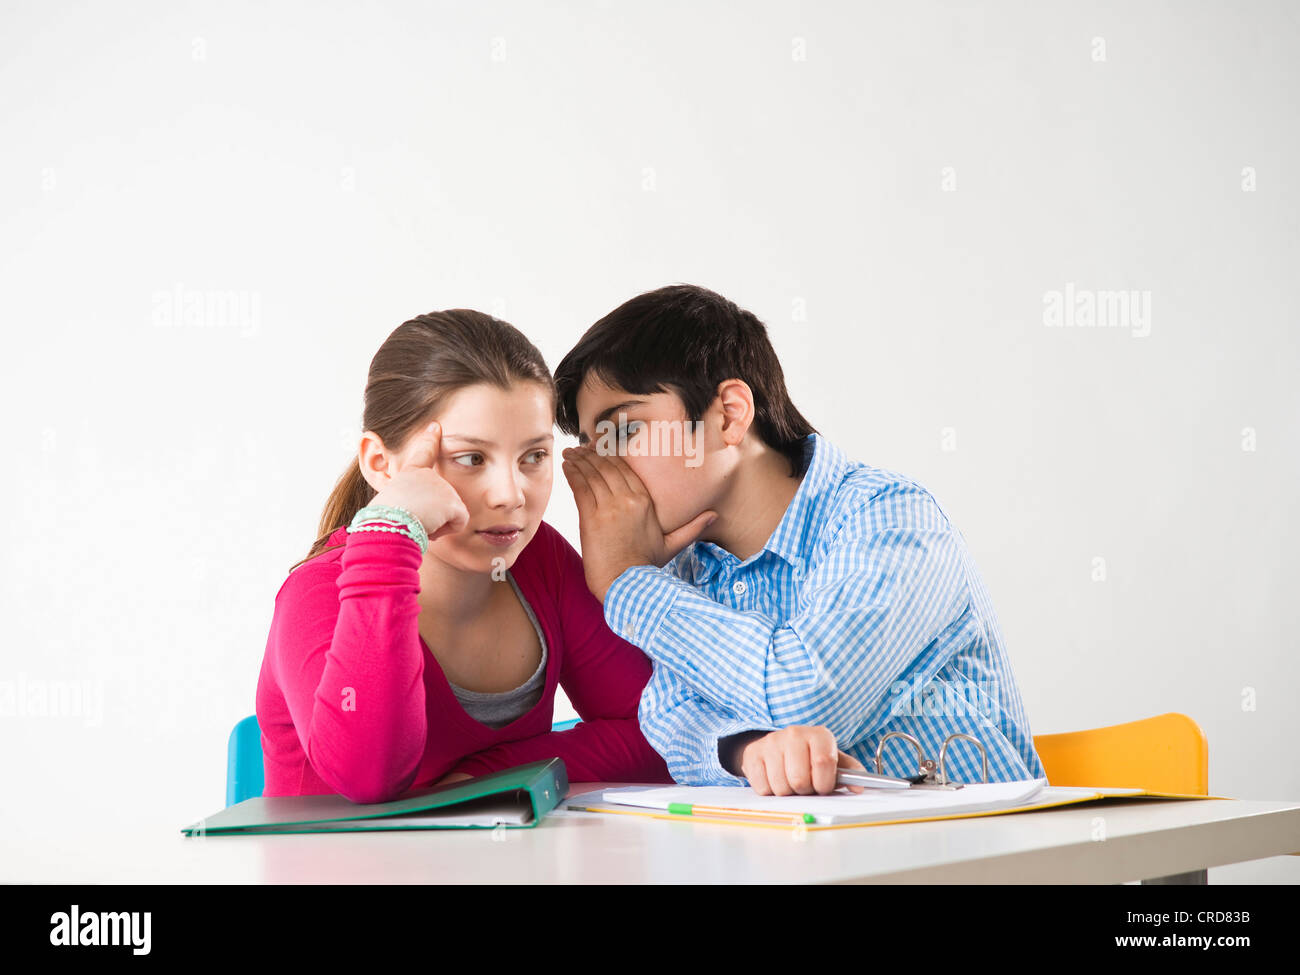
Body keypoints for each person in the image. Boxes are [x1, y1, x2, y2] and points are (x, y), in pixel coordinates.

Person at [553, 284, 1048, 795]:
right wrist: (745, 750)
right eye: (593, 445)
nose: (603, 470)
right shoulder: (685, 569)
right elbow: (671, 720)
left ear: (728, 414)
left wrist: (626, 582)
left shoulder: (892, 519)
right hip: (832, 861)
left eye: (625, 431)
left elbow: (810, 696)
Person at [256, 309, 672, 803]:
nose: (511, 495)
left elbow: (666, 733)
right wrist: (388, 538)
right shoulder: (317, 594)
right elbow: (367, 780)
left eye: (533, 458)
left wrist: (489, 774)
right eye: (471, 459)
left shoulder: (541, 561)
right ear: (379, 463)